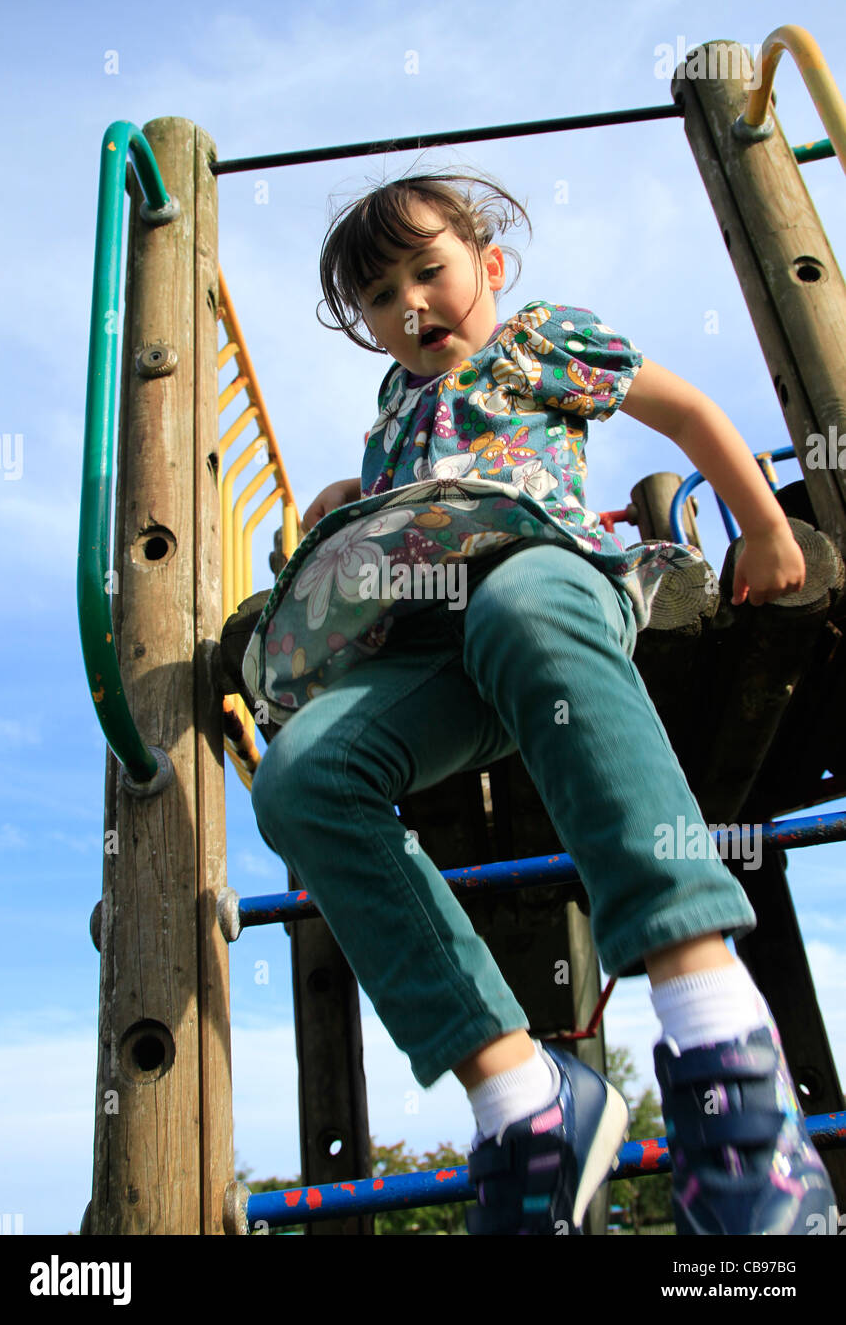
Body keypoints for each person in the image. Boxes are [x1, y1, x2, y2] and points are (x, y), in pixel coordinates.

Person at [244, 167, 836, 1235]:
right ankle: (525, 1101)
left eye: (428, 271)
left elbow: (687, 409)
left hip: (549, 584)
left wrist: (761, 523)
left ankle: (723, 1058)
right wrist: (347, 496)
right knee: (300, 776)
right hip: (431, 648)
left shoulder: (539, 341)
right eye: (381, 297)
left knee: (514, 605)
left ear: (491, 265)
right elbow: (409, 510)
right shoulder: (392, 406)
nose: (411, 306)